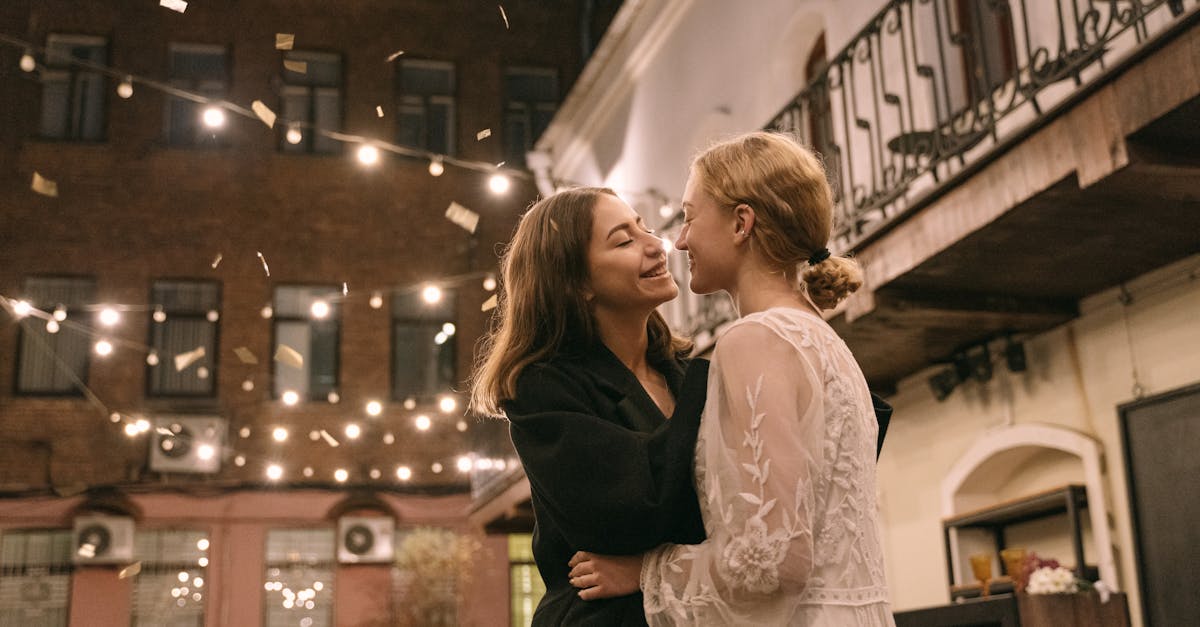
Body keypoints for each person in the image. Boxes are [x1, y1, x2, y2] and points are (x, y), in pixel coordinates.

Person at [568, 132, 896, 626]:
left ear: (742, 222)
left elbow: (774, 556)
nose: (679, 241)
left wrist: (646, 573)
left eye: (689, 217)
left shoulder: (755, 339)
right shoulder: (822, 338)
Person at [469, 187, 712, 626]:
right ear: (576, 282)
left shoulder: (681, 373)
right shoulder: (541, 387)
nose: (656, 245)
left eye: (644, 228)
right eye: (624, 241)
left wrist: (648, 570)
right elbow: (633, 507)